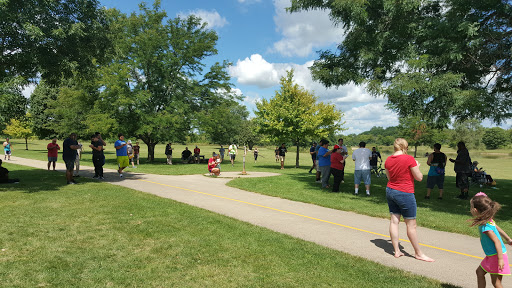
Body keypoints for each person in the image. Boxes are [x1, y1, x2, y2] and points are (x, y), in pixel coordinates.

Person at [384, 138, 434, 262]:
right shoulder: (409, 159)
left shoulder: (388, 160)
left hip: (391, 191)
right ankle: (418, 253)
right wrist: (416, 166)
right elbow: (419, 177)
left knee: (394, 220)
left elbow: (389, 177)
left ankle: (396, 251)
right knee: (411, 225)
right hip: (405, 192)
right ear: (404, 147)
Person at [470, 192, 511, 288]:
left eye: (471, 208)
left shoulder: (485, 227)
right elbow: (497, 227)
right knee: (479, 272)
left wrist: (500, 260)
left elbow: (497, 241)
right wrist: (508, 239)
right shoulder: (489, 220)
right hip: (492, 256)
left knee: (496, 283)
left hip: (496, 256)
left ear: (475, 210)